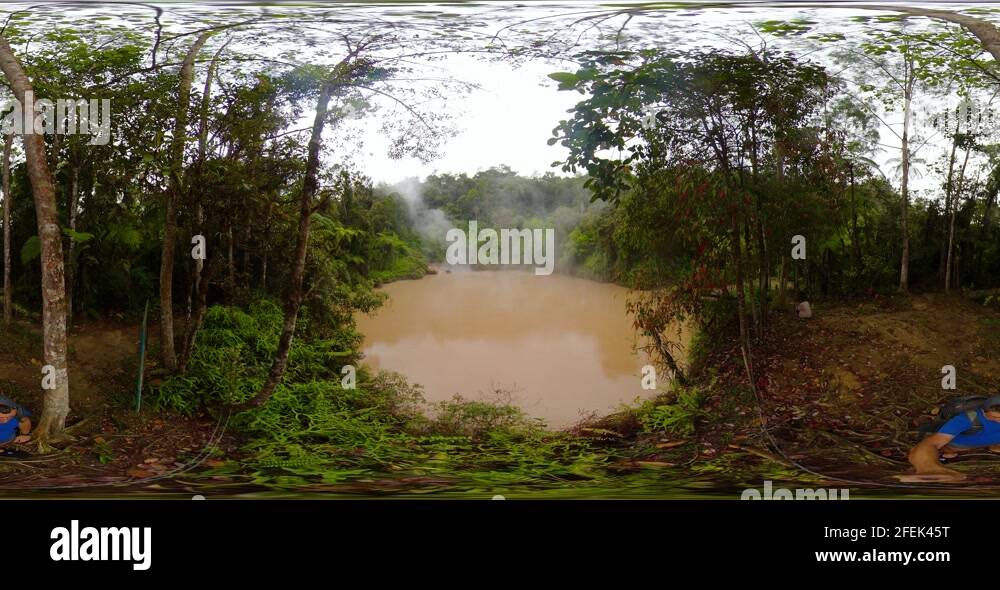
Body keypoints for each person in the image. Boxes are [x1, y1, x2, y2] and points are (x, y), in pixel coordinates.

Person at [907, 396, 1000, 481]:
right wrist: (928, 468)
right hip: (953, 447)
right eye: (995, 417)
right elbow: (931, 443)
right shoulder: (967, 419)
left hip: (986, 447)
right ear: (983, 411)